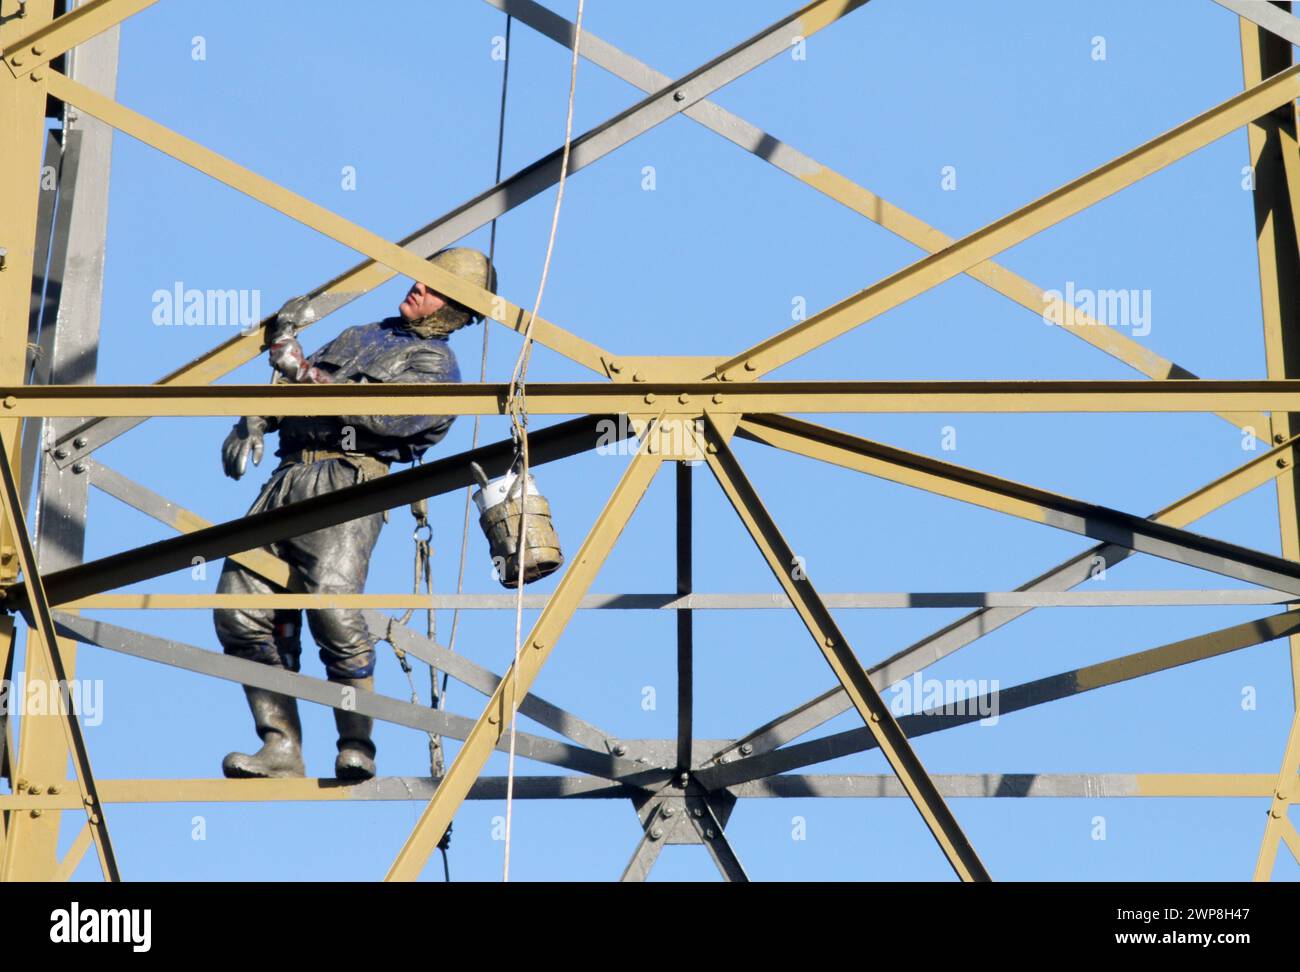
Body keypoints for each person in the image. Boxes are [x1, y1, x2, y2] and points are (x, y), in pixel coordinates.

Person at [213, 247, 495, 781]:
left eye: (432, 286)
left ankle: (356, 742)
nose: (417, 287)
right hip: (287, 478)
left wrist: (306, 377)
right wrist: (252, 419)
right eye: (421, 278)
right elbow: (290, 384)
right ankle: (280, 747)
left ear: (451, 309)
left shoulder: (437, 366)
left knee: (334, 611)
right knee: (238, 613)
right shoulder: (362, 335)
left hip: (347, 485)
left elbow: (381, 412)